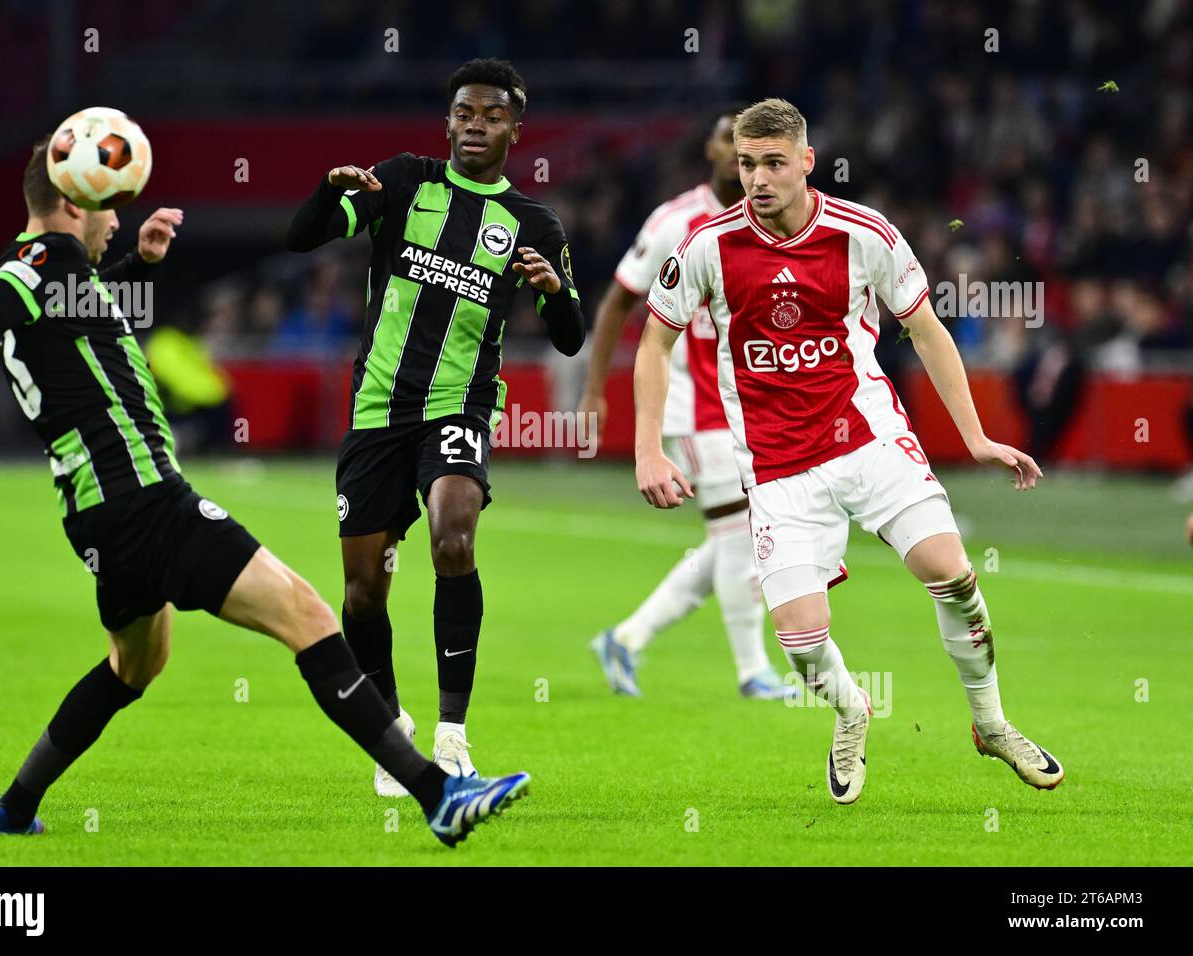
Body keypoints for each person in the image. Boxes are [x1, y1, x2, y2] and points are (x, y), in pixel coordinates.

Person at [0, 137, 528, 847]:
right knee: (309, 615)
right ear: (72, 200)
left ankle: (12, 809)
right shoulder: (41, 262)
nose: (115, 222)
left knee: (134, 664)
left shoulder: (53, 280)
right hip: (145, 501)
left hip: (98, 520)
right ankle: (437, 793)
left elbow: (57, 316)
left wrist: (142, 262)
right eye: (109, 206)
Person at [634, 99, 1064, 805]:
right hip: (775, 466)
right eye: (747, 164)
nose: (759, 179)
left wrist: (976, 437)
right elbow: (654, 342)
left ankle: (990, 722)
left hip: (867, 439)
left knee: (951, 572)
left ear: (806, 162)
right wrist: (649, 450)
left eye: (774, 163)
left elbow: (925, 330)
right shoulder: (706, 247)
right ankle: (850, 711)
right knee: (801, 641)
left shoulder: (864, 233)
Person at [286, 59, 584, 795]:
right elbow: (303, 239)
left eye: (490, 115)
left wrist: (552, 293)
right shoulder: (407, 182)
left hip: (458, 405)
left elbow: (571, 336)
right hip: (377, 410)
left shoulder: (533, 223)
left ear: (516, 128)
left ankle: (453, 734)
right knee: (362, 593)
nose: (474, 125)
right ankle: (392, 730)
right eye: (463, 113)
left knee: (454, 540)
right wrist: (327, 193)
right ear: (447, 121)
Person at [579, 107, 802, 700]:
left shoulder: (773, 220)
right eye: (728, 141)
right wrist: (595, 388)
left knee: (736, 536)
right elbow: (617, 303)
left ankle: (626, 638)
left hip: (751, 402)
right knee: (740, 533)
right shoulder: (676, 221)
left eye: (749, 144)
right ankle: (753, 670)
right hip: (692, 402)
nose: (737, 152)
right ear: (710, 150)